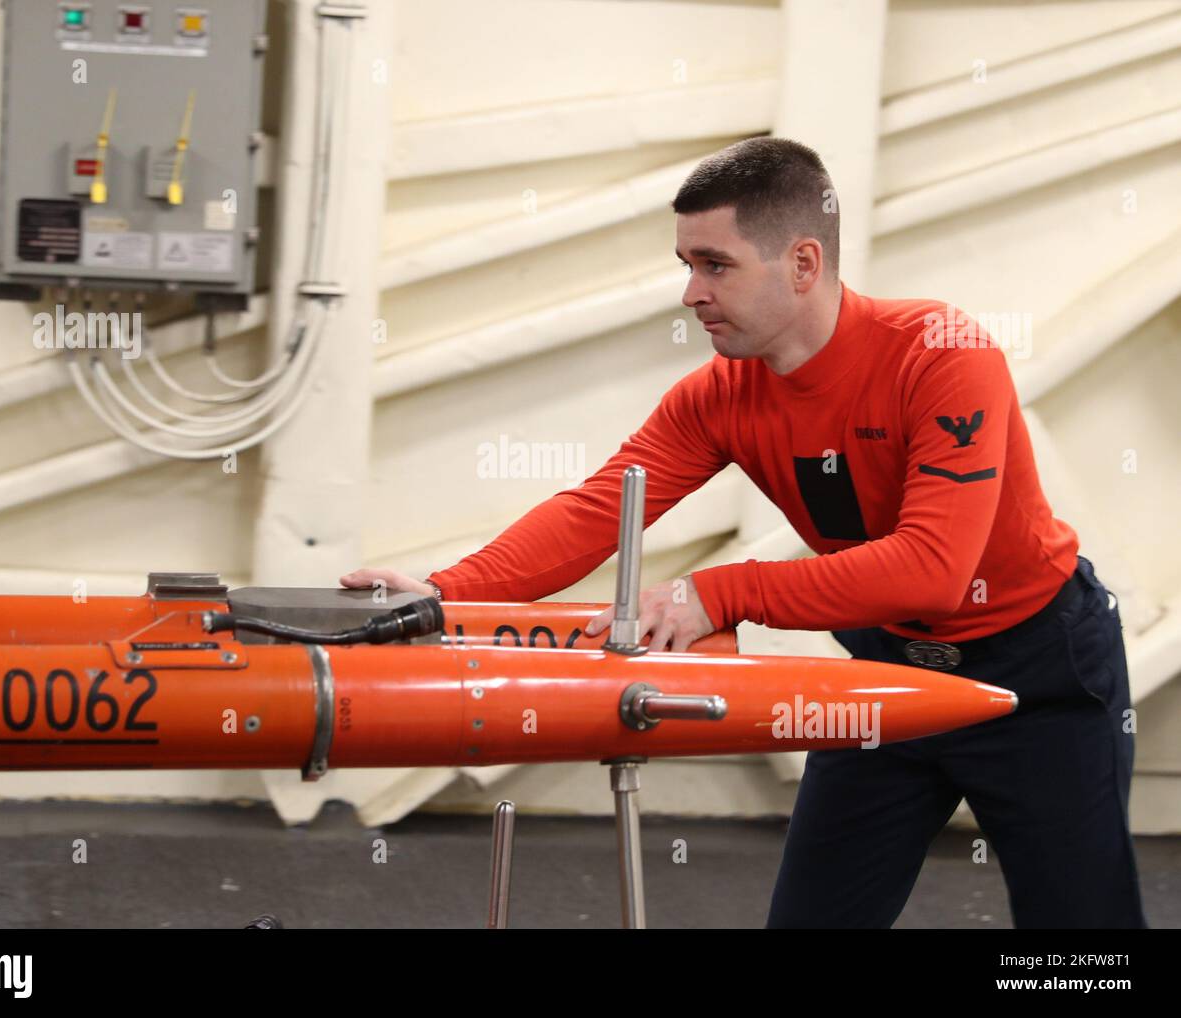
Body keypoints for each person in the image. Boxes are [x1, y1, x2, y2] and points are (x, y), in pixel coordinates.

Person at [342, 137, 1146, 929]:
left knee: (1080, 944)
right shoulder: (719, 396)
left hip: (1040, 675)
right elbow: (596, 511)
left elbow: (934, 568)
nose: (690, 292)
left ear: (802, 264)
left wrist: (718, 593)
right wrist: (445, 595)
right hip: (882, 672)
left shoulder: (941, 352)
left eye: (714, 265)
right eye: (685, 264)